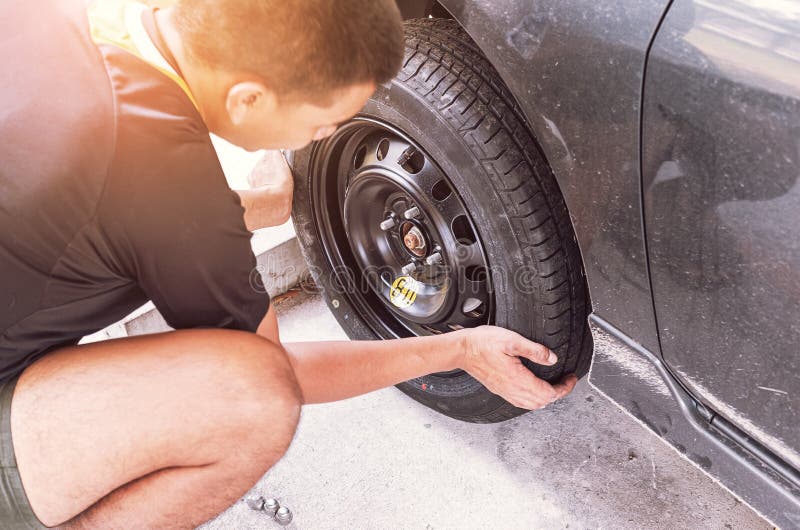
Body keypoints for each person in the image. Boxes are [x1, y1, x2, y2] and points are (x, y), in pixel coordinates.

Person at [0, 0, 578, 527]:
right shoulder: (168, 182)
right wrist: (459, 350)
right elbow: (280, 372)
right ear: (247, 98)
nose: (326, 135)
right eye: (324, 122)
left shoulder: (57, 22)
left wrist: (250, 210)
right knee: (253, 399)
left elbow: (113, 209)